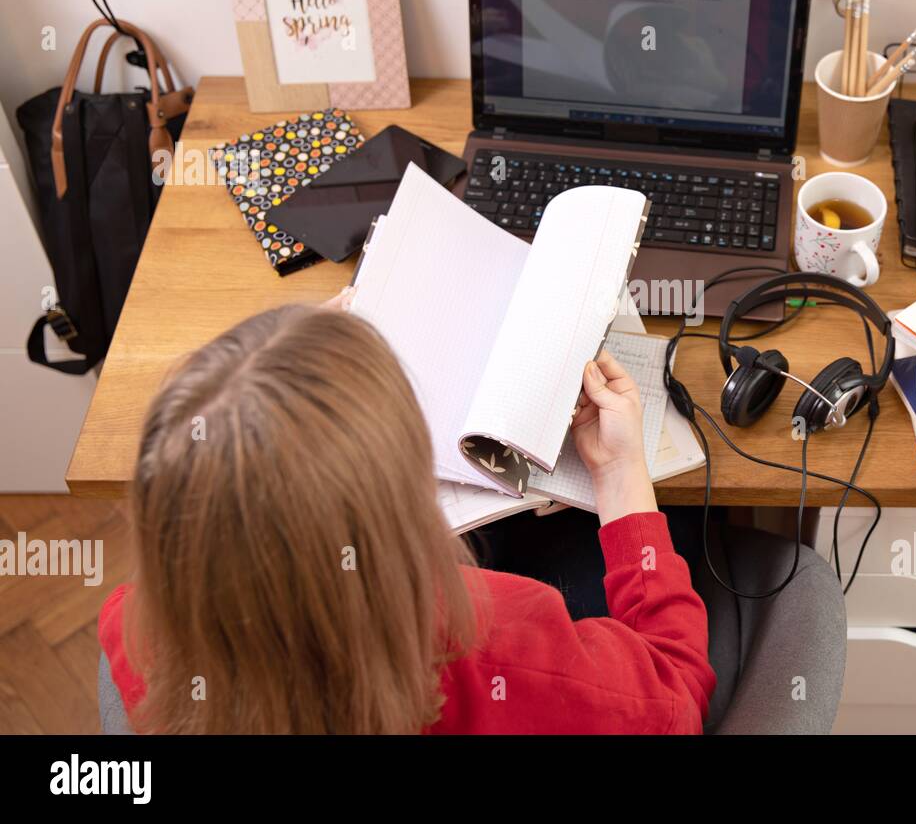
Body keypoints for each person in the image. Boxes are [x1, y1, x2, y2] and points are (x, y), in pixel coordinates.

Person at [98, 297, 715, 733]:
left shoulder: (143, 630)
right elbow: (676, 695)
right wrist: (617, 472)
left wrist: (282, 371)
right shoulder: (488, 643)